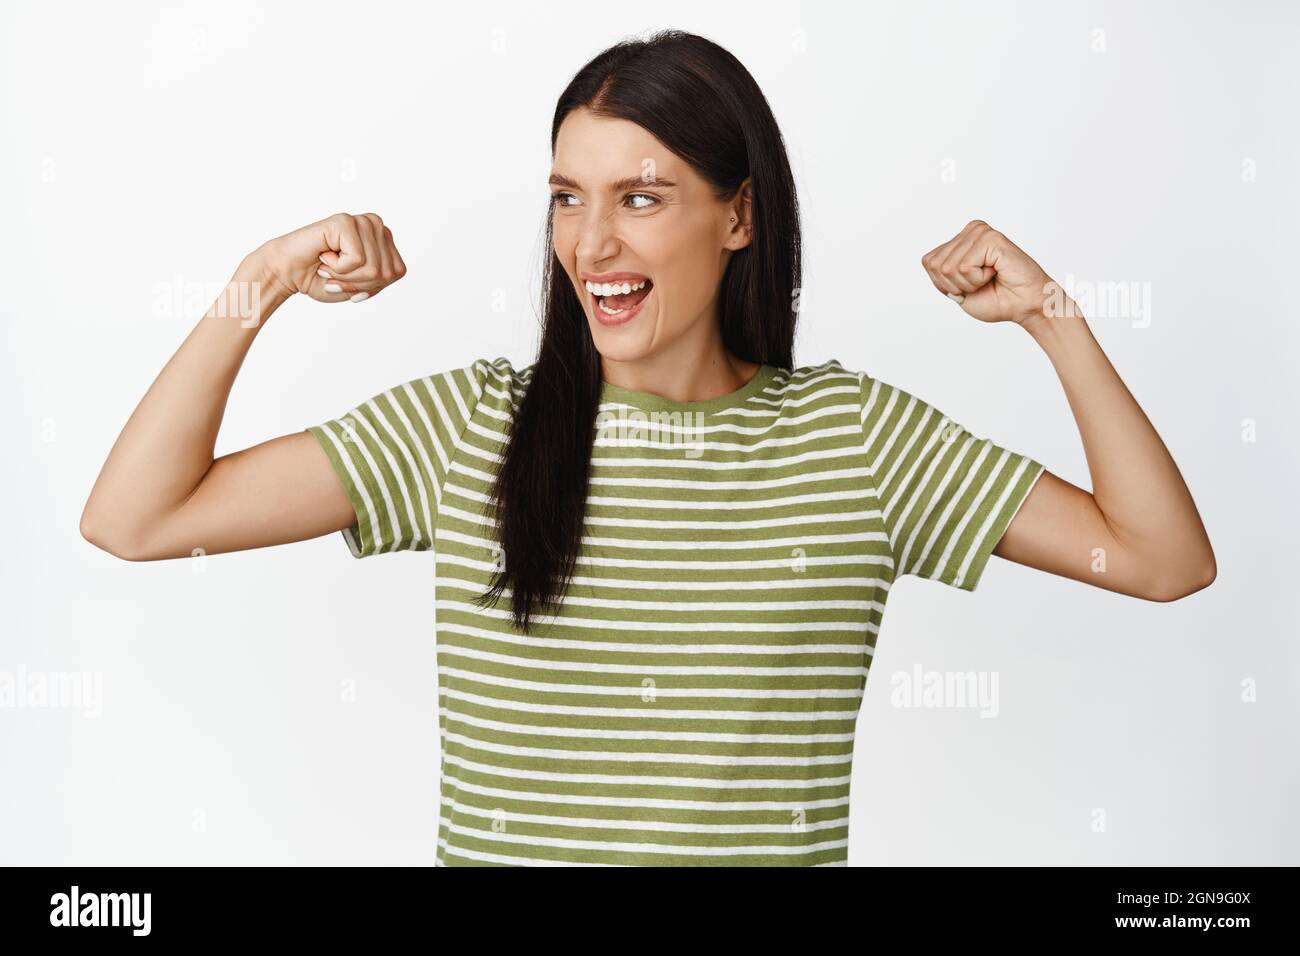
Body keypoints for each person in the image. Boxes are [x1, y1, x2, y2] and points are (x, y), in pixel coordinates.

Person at [80, 30, 1215, 866]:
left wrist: (1052, 317)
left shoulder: (854, 440)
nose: (593, 241)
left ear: (738, 216)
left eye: (641, 195)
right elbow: (137, 518)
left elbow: (1160, 557)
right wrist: (261, 279)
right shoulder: (467, 425)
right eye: (569, 198)